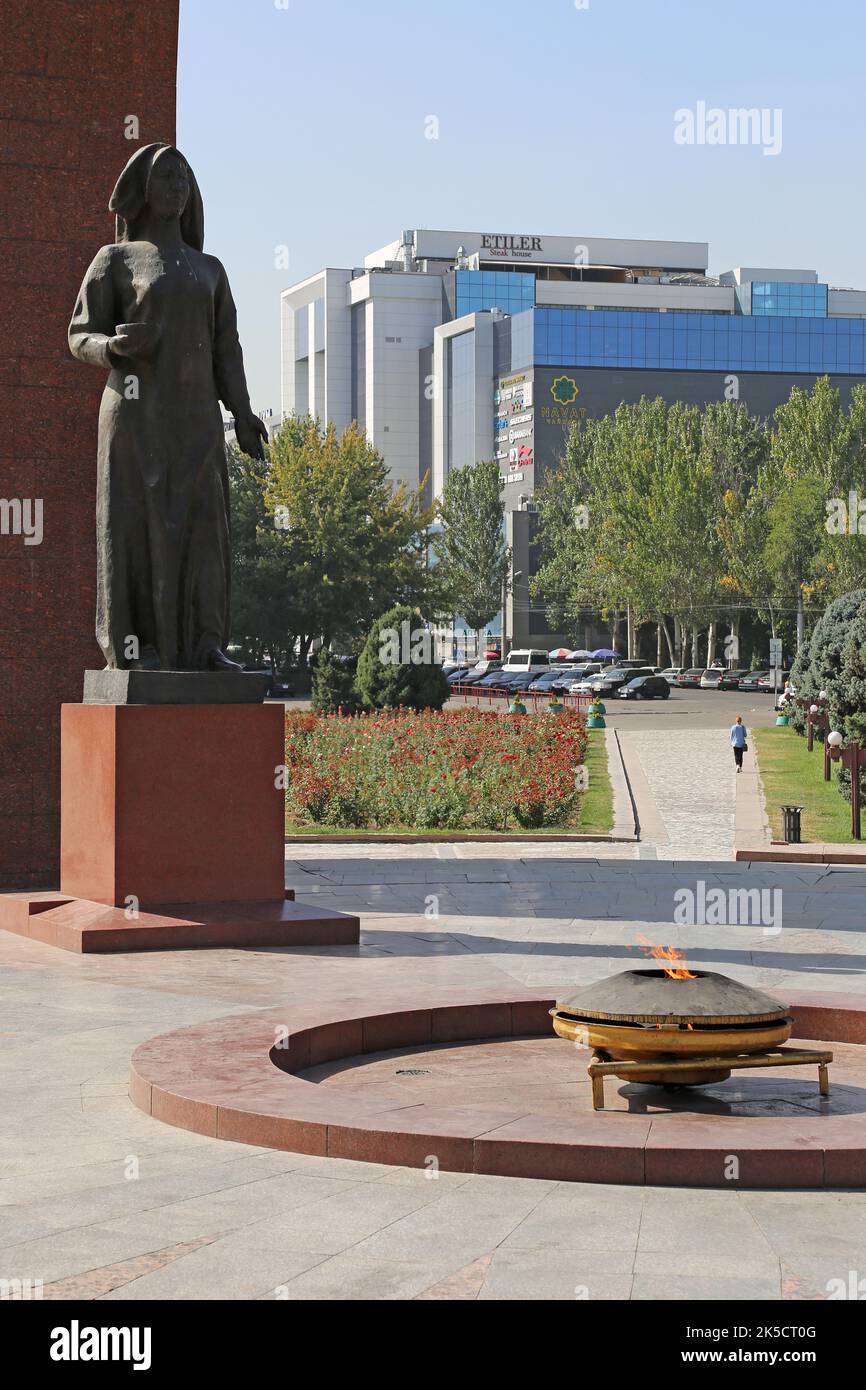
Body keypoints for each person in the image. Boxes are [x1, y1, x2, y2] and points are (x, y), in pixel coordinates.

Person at [68, 143, 267, 672]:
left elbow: (228, 348)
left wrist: (243, 415)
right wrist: (112, 348)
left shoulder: (210, 269)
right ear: (143, 191)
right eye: (166, 177)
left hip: (198, 419)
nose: (176, 186)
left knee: (206, 529)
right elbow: (78, 335)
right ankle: (136, 650)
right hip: (135, 417)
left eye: (184, 178)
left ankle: (206, 647)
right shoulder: (115, 260)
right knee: (135, 530)